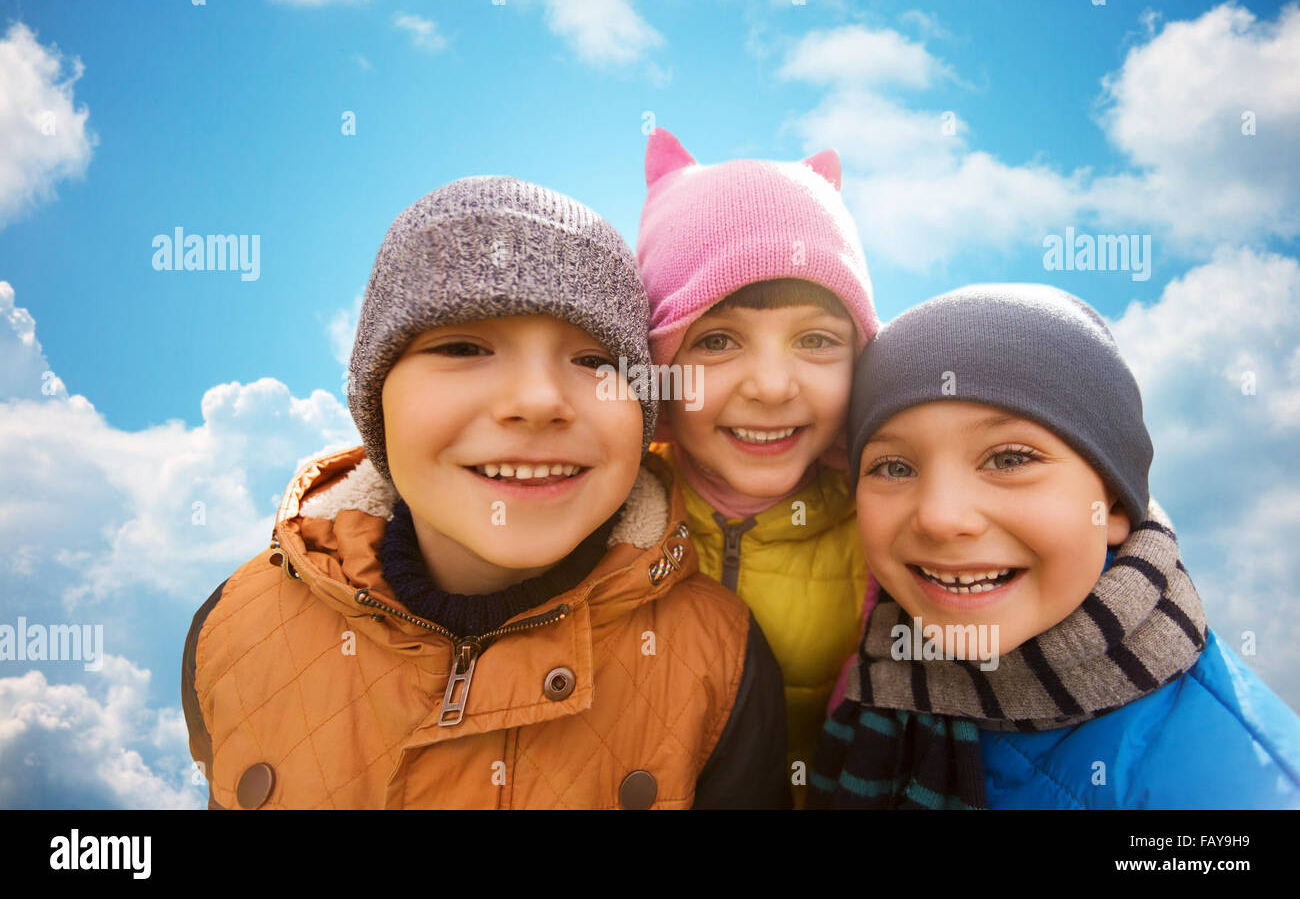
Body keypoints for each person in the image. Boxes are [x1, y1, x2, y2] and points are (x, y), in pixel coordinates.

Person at [182, 176, 788, 809]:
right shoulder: (234, 627)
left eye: (595, 362)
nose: (537, 402)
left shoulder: (720, 661)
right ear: (376, 399)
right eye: (463, 347)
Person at [808, 283, 1300, 808]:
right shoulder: (878, 671)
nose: (940, 517)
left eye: (1009, 459)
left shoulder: (1240, 786)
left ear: (1111, 504)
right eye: (894, 467)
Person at [636, 128, 881, 802]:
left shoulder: (893, 526)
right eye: (716, 339)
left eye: (816, 340)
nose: (773, 386)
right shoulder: (603, 512)